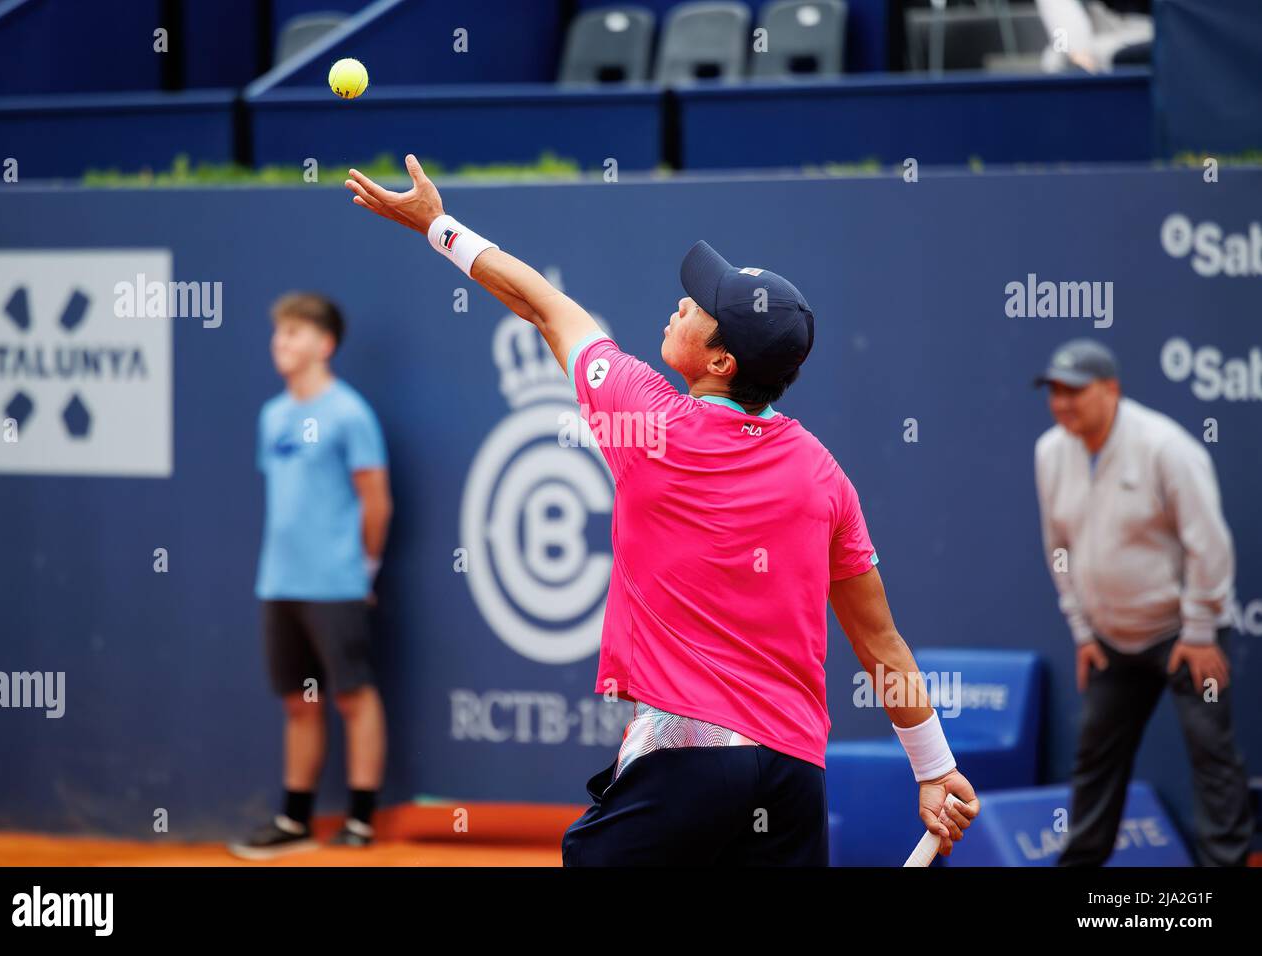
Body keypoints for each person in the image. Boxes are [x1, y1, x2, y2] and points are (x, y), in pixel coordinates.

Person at [344, 155, 980, 865]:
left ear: (721, 362)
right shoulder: (827, 478)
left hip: (689, 760)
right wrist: (933, 767)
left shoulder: (647, 422)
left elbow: (544, 308)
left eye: (698, 307)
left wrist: (438, 225)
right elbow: (881, 644)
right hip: (794, 775)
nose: (682, 303)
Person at [1033, 339, 1252, 866]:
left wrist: (1199, 632)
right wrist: (1084, 632)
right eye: (1054, 391)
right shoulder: (1049, 451)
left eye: (1075, 391)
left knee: (1211, 756)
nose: (1062, 403)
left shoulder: (1167, 447)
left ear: (1111, 390)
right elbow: (1058, 549)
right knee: (1094, 760)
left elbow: (1210, 545)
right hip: (1111, 641)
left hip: (1184, 637)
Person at [229, 292, 393, 860]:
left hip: (338, 583)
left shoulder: (350, 414)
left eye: (294, 333)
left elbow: (376, 502)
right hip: (278, 584)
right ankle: (295, 821)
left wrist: (364, 569)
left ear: (324, 344)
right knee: (299, 702)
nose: (281, 343)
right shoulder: (271, 416)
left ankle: (361, 820)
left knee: (352, 696)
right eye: (278, 334)